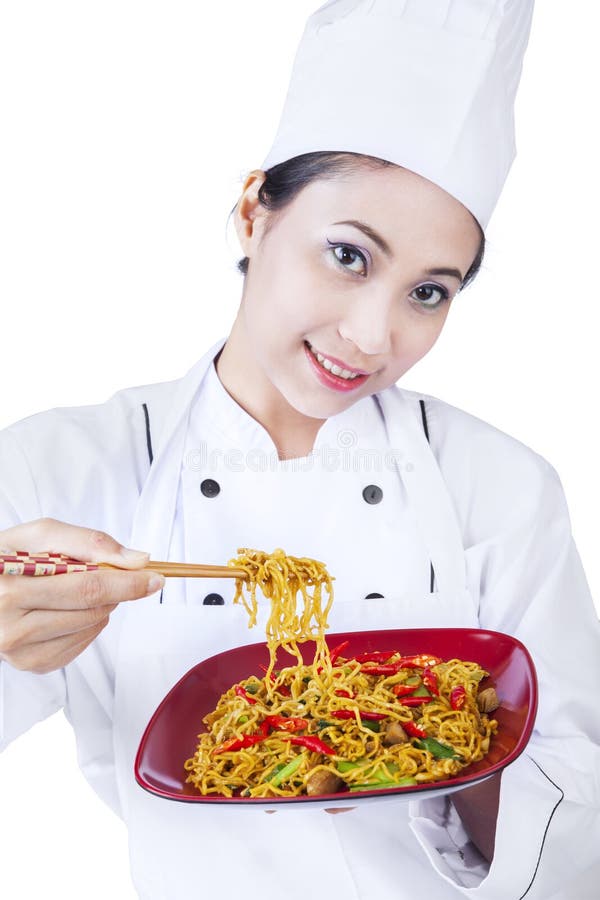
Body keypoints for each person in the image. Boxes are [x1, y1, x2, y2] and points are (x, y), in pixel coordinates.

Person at [1, 1, 599, 898]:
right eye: (350, 257)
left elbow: (578, 805)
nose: (371, 335)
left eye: (428, 293)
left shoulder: (500, 489)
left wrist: (443, 745)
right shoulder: (67, 470)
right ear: (253, 214)